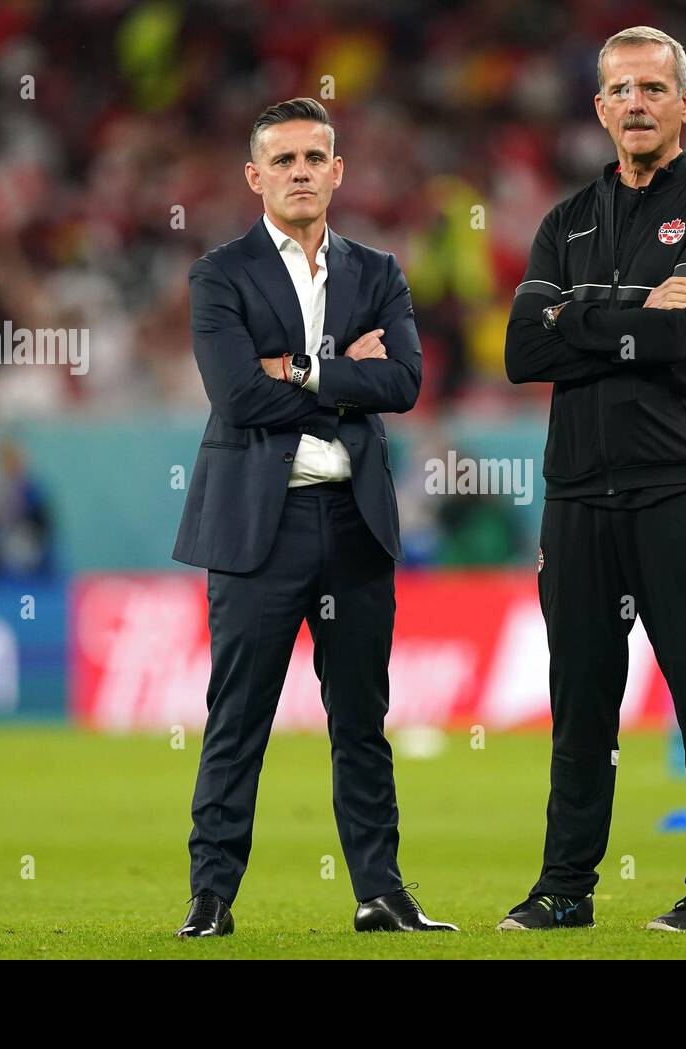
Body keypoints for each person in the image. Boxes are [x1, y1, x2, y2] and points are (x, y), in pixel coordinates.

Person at [171, 98, 454, 936]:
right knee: (239, 719)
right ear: (255, 177)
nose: (300, 172)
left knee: (361, 721)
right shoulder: (218, 273)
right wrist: (339, 375)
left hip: (353, 521)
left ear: (338, 172)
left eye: (314, 157)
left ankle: (381, 893)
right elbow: (236, 394)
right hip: (262, 526)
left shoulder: (380, 271)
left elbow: (403, 382)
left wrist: (296, 368)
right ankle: (211, 899)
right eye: (283, 159)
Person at [503, 27, 686, 933]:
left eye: (654, 87)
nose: (636, 103)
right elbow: (521, 350)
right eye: (620, 90)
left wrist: (576, 313)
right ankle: (566, 887)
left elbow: (684, 335)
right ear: (599, 107)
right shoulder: (563, 219)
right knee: (580, 701)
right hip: (576, 493)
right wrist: (633, 309)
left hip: (677, 487)